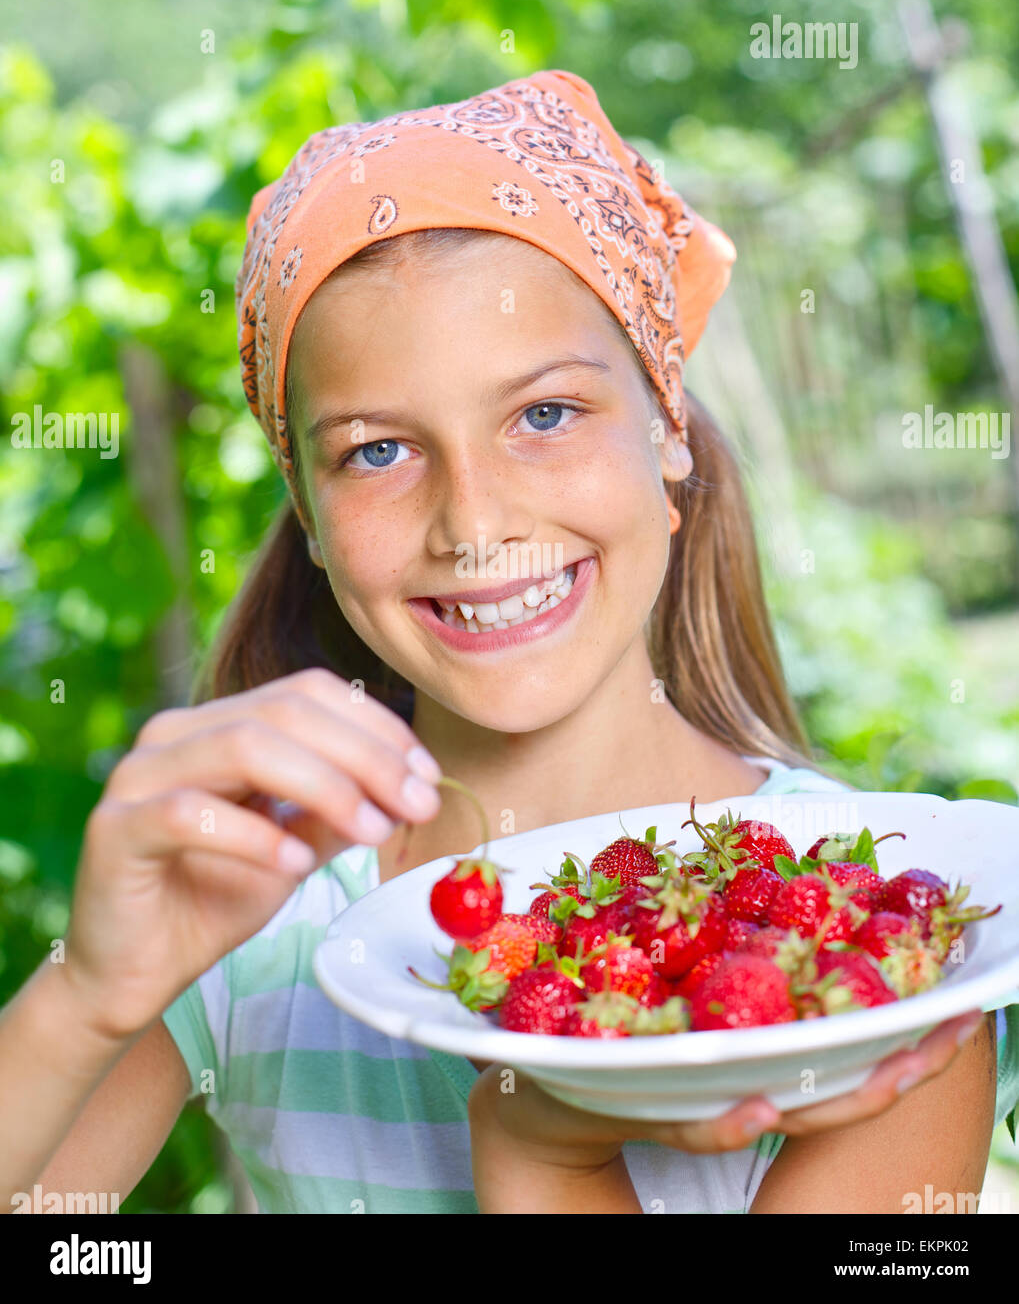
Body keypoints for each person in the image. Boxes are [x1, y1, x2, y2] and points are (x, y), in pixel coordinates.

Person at [2, 70, 1015, 1216]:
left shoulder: (873, 944)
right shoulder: (254, 922)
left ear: (665, 427)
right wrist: (88, 996)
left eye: (544, 414)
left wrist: (549, 1151)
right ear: (311, 514)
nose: (475, 523)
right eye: (379, 451)